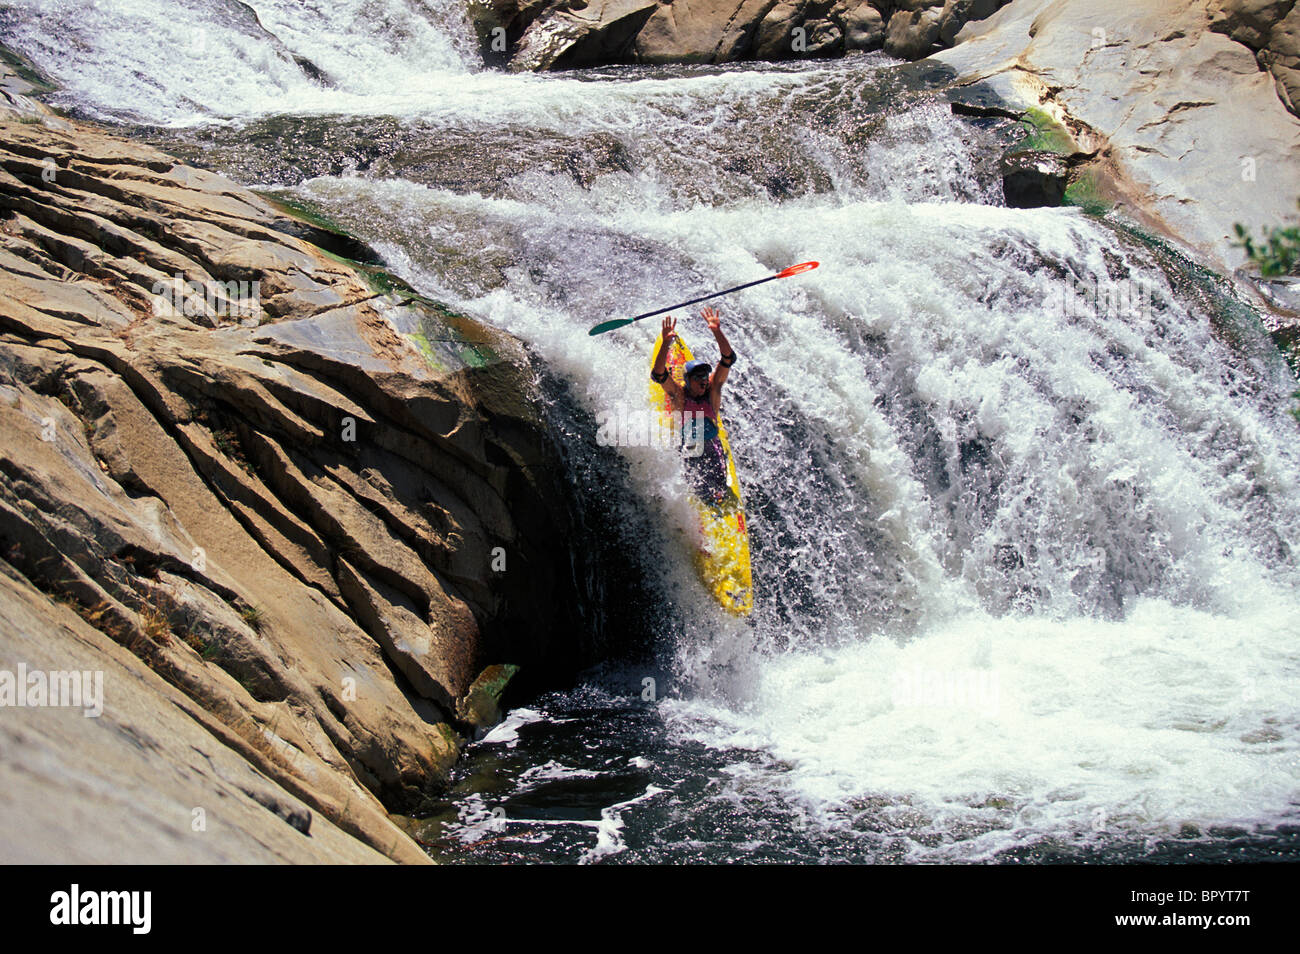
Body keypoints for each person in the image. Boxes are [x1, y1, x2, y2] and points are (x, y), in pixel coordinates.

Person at [650, 306, 738, 505]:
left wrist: (716, 331)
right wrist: (665, 343)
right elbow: (659, 374)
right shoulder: (679, 396)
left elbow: (728, 359)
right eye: (698, 377)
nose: (704, 381)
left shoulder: (712, 392)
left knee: (718, 492)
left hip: (712, 449)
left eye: (705, 376)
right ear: (687, 380)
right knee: (697, 490)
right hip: (688, 450)